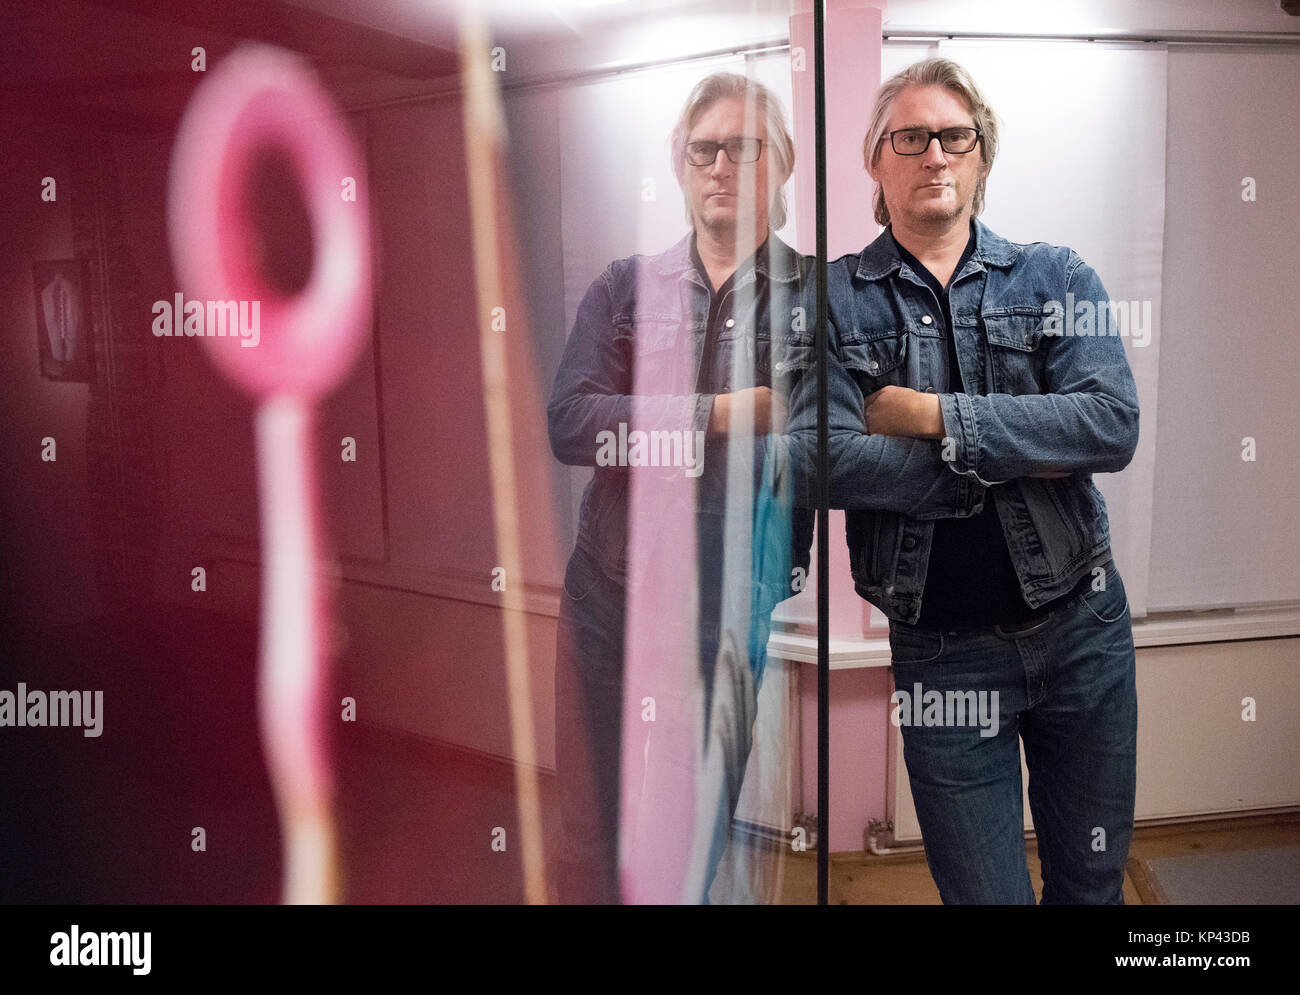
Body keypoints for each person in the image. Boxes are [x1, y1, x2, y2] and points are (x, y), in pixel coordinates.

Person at [800, 56, 1140, 903]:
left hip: (1083, 633)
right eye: (909, 137)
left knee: (1091, 882)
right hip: (942, 654)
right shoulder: (829, 300)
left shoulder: (1058, 277)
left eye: (955, 135)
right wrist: (1008, 456)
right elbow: (820, 455)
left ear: (982, 154)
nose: (935, 154)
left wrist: (931, 416)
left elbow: (1109, 424)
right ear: (876, 161)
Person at [547, 72, 814, 904]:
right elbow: (572, 423)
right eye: (706, 149)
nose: (723, 166)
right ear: (681, 164)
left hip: (724, 616)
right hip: (608, 599)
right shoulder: (625, 287)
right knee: (591, 827)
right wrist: (722, 413)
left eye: (745, 148)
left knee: (692, 835)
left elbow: (815, 448)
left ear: (781, 165)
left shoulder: (817, 297)